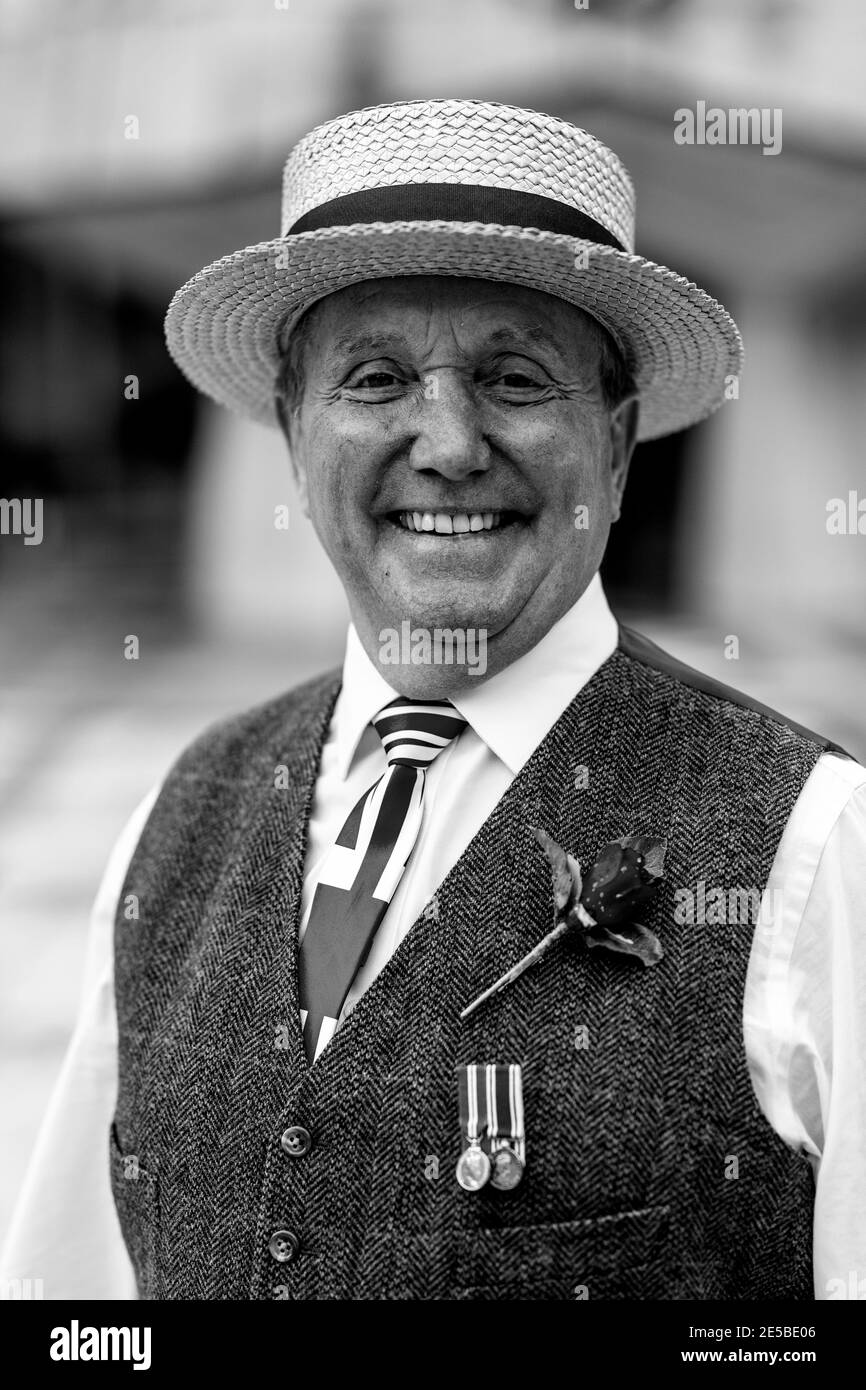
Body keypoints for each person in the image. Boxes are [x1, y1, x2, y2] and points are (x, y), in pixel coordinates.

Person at [2, 98, 865, 1302]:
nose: (448, 443)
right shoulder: (177, 812)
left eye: (514, 380)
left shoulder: (816, 843)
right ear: (296, 439)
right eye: (374, 379)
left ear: (614, 448)